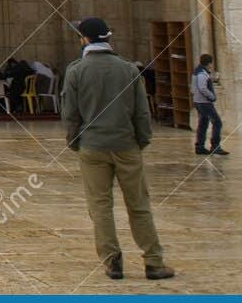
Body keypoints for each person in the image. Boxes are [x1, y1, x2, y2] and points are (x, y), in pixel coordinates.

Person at [60, 16, 174, 281]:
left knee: (100, 206)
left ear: (85, 39)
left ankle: (113, 262)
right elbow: (142, 113)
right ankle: (154, 262)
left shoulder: (76, 71)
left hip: (92, 147)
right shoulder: (128, 69)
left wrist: (74, 141)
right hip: (126, 145)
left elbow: (70, 113)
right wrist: (141, 141)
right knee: (139, 205)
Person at [192, 53, 228, 156]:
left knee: (203, 123)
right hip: (204, 102)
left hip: (198, 101)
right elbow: (202, 88)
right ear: (209, 63)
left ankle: (200, 147)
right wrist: (211, 96)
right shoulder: (202, 74)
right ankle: (215, 147)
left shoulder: (198, 72)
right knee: (217, 122)